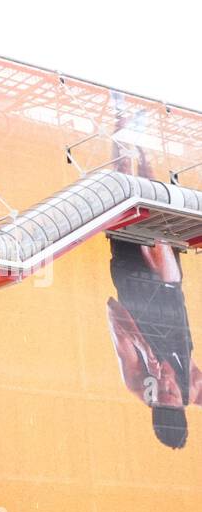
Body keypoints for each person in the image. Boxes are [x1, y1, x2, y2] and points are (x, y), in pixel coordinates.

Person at [104, 100, 200, 448]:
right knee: (155, 204)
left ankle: (120, 118)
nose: (167, 385)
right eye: (174, 392)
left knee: (125, 192)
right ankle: (141, 141)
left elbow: (112, 309)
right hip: (169, 288)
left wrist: (145, 348)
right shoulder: (194, 386)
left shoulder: (135, 380)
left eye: (162, 394)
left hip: (133, 282)